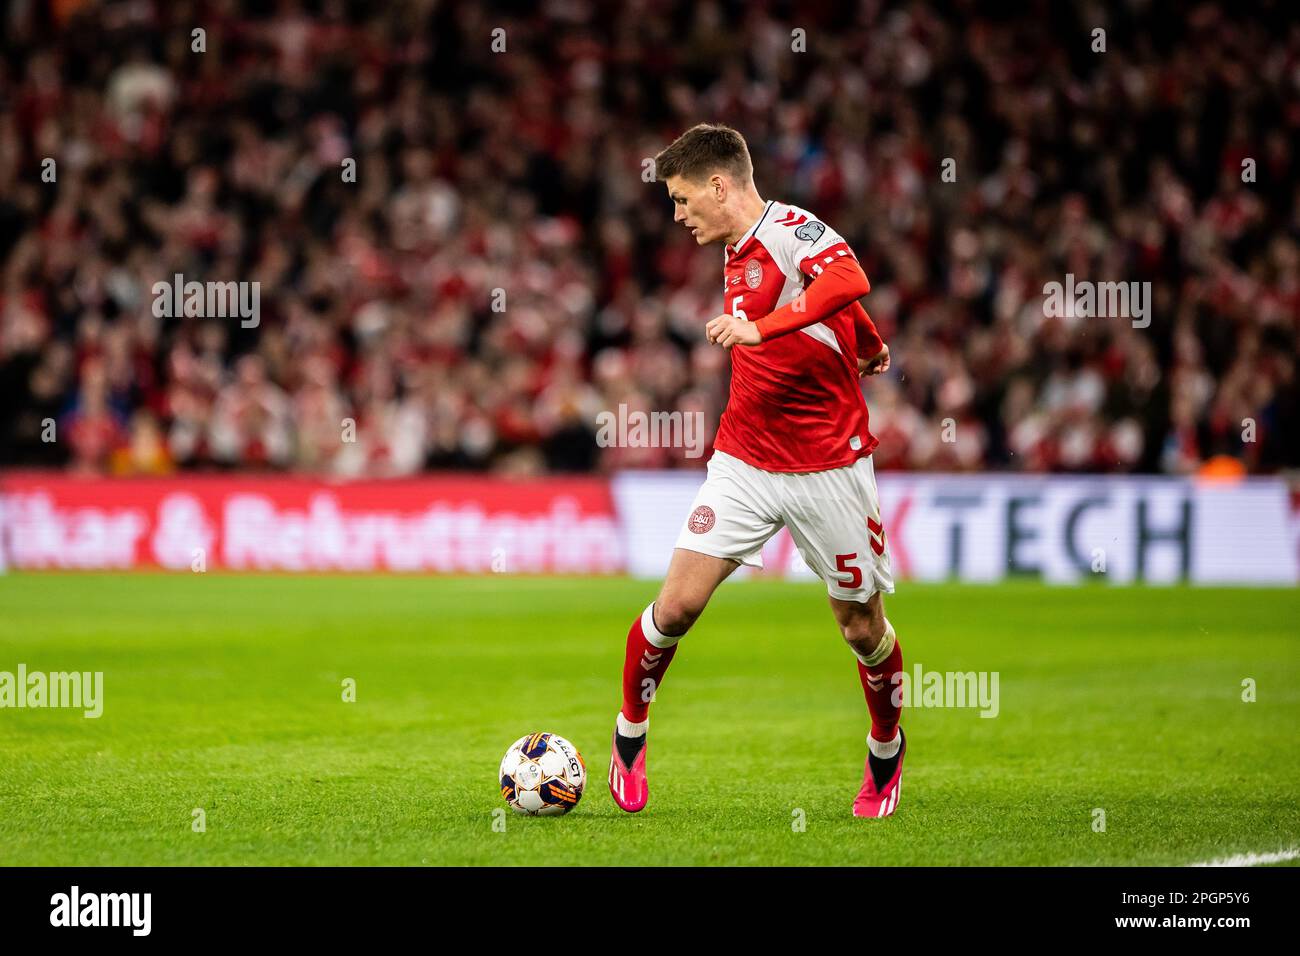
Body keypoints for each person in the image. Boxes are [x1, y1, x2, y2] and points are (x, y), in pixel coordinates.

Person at [608, 124, 906, 818]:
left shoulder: (791, 227)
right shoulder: (734, 246)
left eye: (683, 201)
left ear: (719, 187)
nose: (678, 216)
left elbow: (848, 276)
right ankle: (629, 733)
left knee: (861, 627)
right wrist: (865, 338)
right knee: (676, 605)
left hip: (829, 463)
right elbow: (836, 299)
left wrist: (760, 330)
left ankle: (885, 752)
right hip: (744, 456)